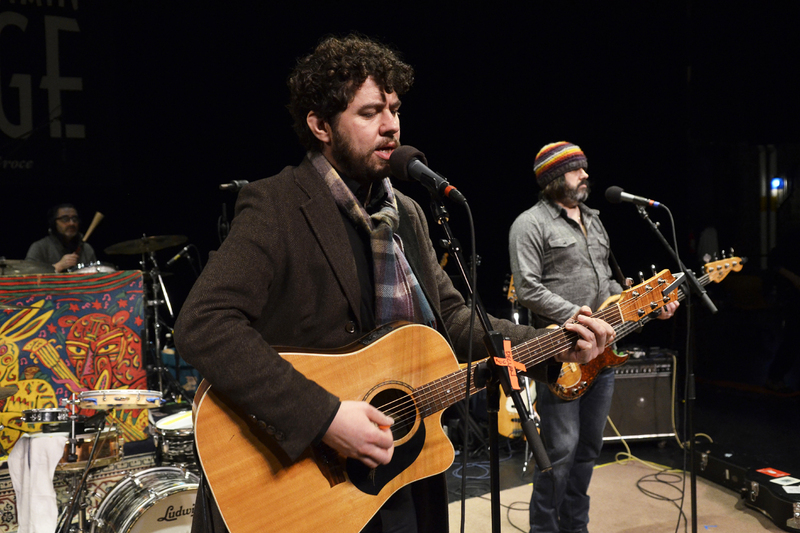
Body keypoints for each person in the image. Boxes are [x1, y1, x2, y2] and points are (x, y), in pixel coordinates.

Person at [174, 37, 614, 533]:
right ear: (320, 125)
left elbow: (455, 318)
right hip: (303, 474)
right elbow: (203, 324)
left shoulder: (406, 213)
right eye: (369, 113)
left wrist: (556, 345)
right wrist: (326, 417)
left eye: (394, 109)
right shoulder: (275, 205)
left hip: (403, 472)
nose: (391, 126)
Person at [508, 141, 678, 533]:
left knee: (588, 449)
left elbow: (608, 284)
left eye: (584, 168)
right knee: (560, 451)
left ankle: (575, 526)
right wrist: (578, 317)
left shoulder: (595, 219)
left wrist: (647, 303)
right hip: (564, 354)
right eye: (576, 169)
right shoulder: (529, 224)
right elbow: (528, 288)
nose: (586, 175)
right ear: (553, 178)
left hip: (605, 352)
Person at [25, 203, 96, 273]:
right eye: (65, 219)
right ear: (54, 223)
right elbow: (28, 275)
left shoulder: (86, 249)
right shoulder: (40, 247)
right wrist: (58, 266)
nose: (71, 223)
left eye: (74, 219)